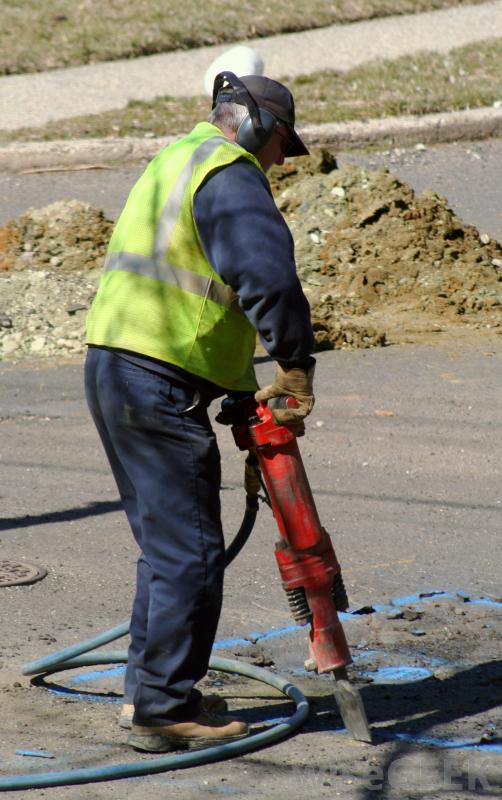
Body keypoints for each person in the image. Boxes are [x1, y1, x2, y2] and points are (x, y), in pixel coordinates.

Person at [84, 71, 316, 753]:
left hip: (115, 363)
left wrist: (239, 383)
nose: (278, 161)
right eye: (279, 146)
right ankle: (163, 708)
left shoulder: (173, 160)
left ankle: (147, 694)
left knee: (167, 548)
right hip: (155, 379)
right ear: (254, 128)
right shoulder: (231, 171)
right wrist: (295, 364)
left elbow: (188, 290)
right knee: (190, 551)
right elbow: (266, 278)